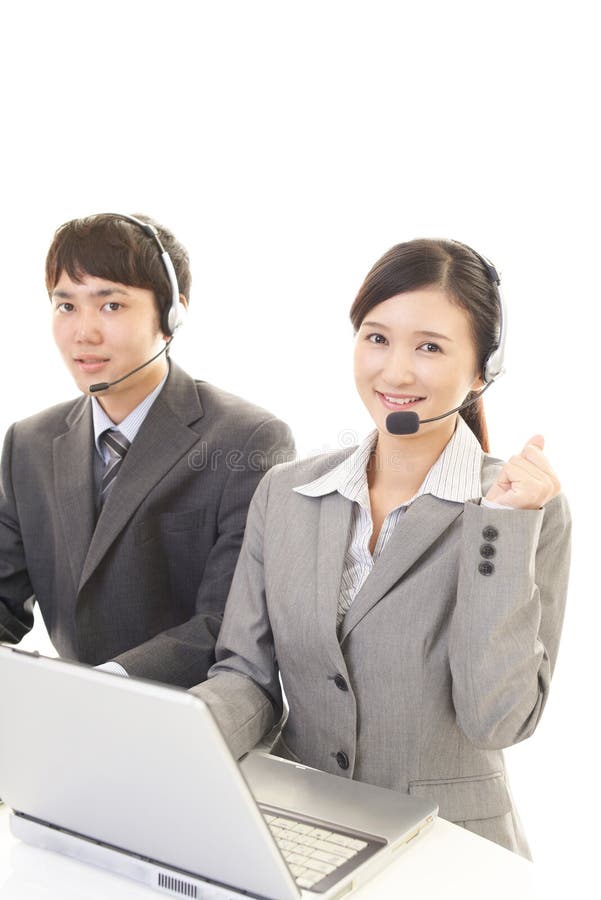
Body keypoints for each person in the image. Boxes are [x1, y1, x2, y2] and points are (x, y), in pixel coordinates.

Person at [191, 238, 570, 858]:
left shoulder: (527, 512)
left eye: (429, 346)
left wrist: (500, 525)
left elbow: (496, 719)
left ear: (482, 371)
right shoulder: (285, 494)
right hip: (299, 834)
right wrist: (171, 740)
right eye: (376, 338)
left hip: (451, 850)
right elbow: (247, 678)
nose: (395, 371)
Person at [0, 213, 294, 687]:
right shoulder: (28, 443)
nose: (84, 332)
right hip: (66, 718)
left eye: (111, 306)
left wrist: (103, 686)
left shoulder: (247, 440)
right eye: (66, 306)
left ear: (171, 313)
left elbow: (229, 621)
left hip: (186, 717)